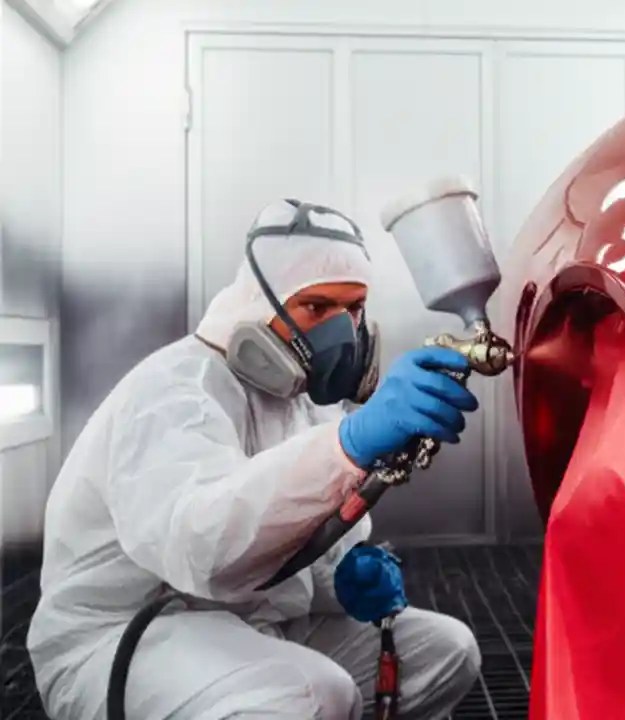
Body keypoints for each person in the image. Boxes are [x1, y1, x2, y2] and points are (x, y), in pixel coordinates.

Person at [27, 199, 483, 719]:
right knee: (313, 695)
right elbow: (204, 549)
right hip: (121, 639)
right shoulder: (174, 391)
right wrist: (348, 445)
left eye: (354, 309)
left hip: (252, 626)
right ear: (260, 305)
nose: (345, 331)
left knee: (444, 652)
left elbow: (296, 549)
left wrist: (346, 577)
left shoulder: (301, 402)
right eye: (317, 308)